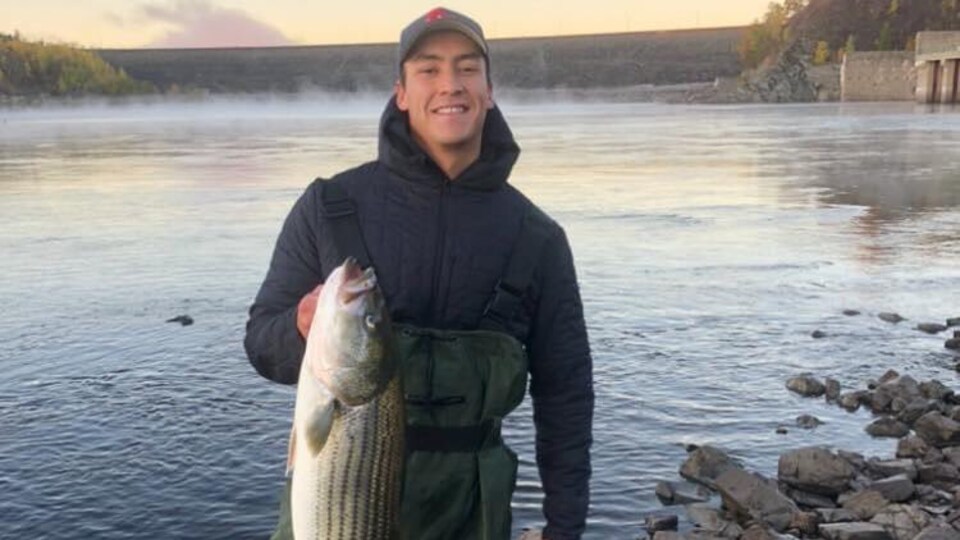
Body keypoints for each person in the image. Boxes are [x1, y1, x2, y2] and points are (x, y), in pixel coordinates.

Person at [244, 7, 593, 540]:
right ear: (401, 93)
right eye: (428, 69)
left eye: (467, 68)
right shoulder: (329, 206)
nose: (450, 85)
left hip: (471, 516)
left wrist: (564, 526)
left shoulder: (537, 238)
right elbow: (261, 346)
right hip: (334, 506)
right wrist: (299, 324)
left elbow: (566, 395)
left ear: (490, 89)